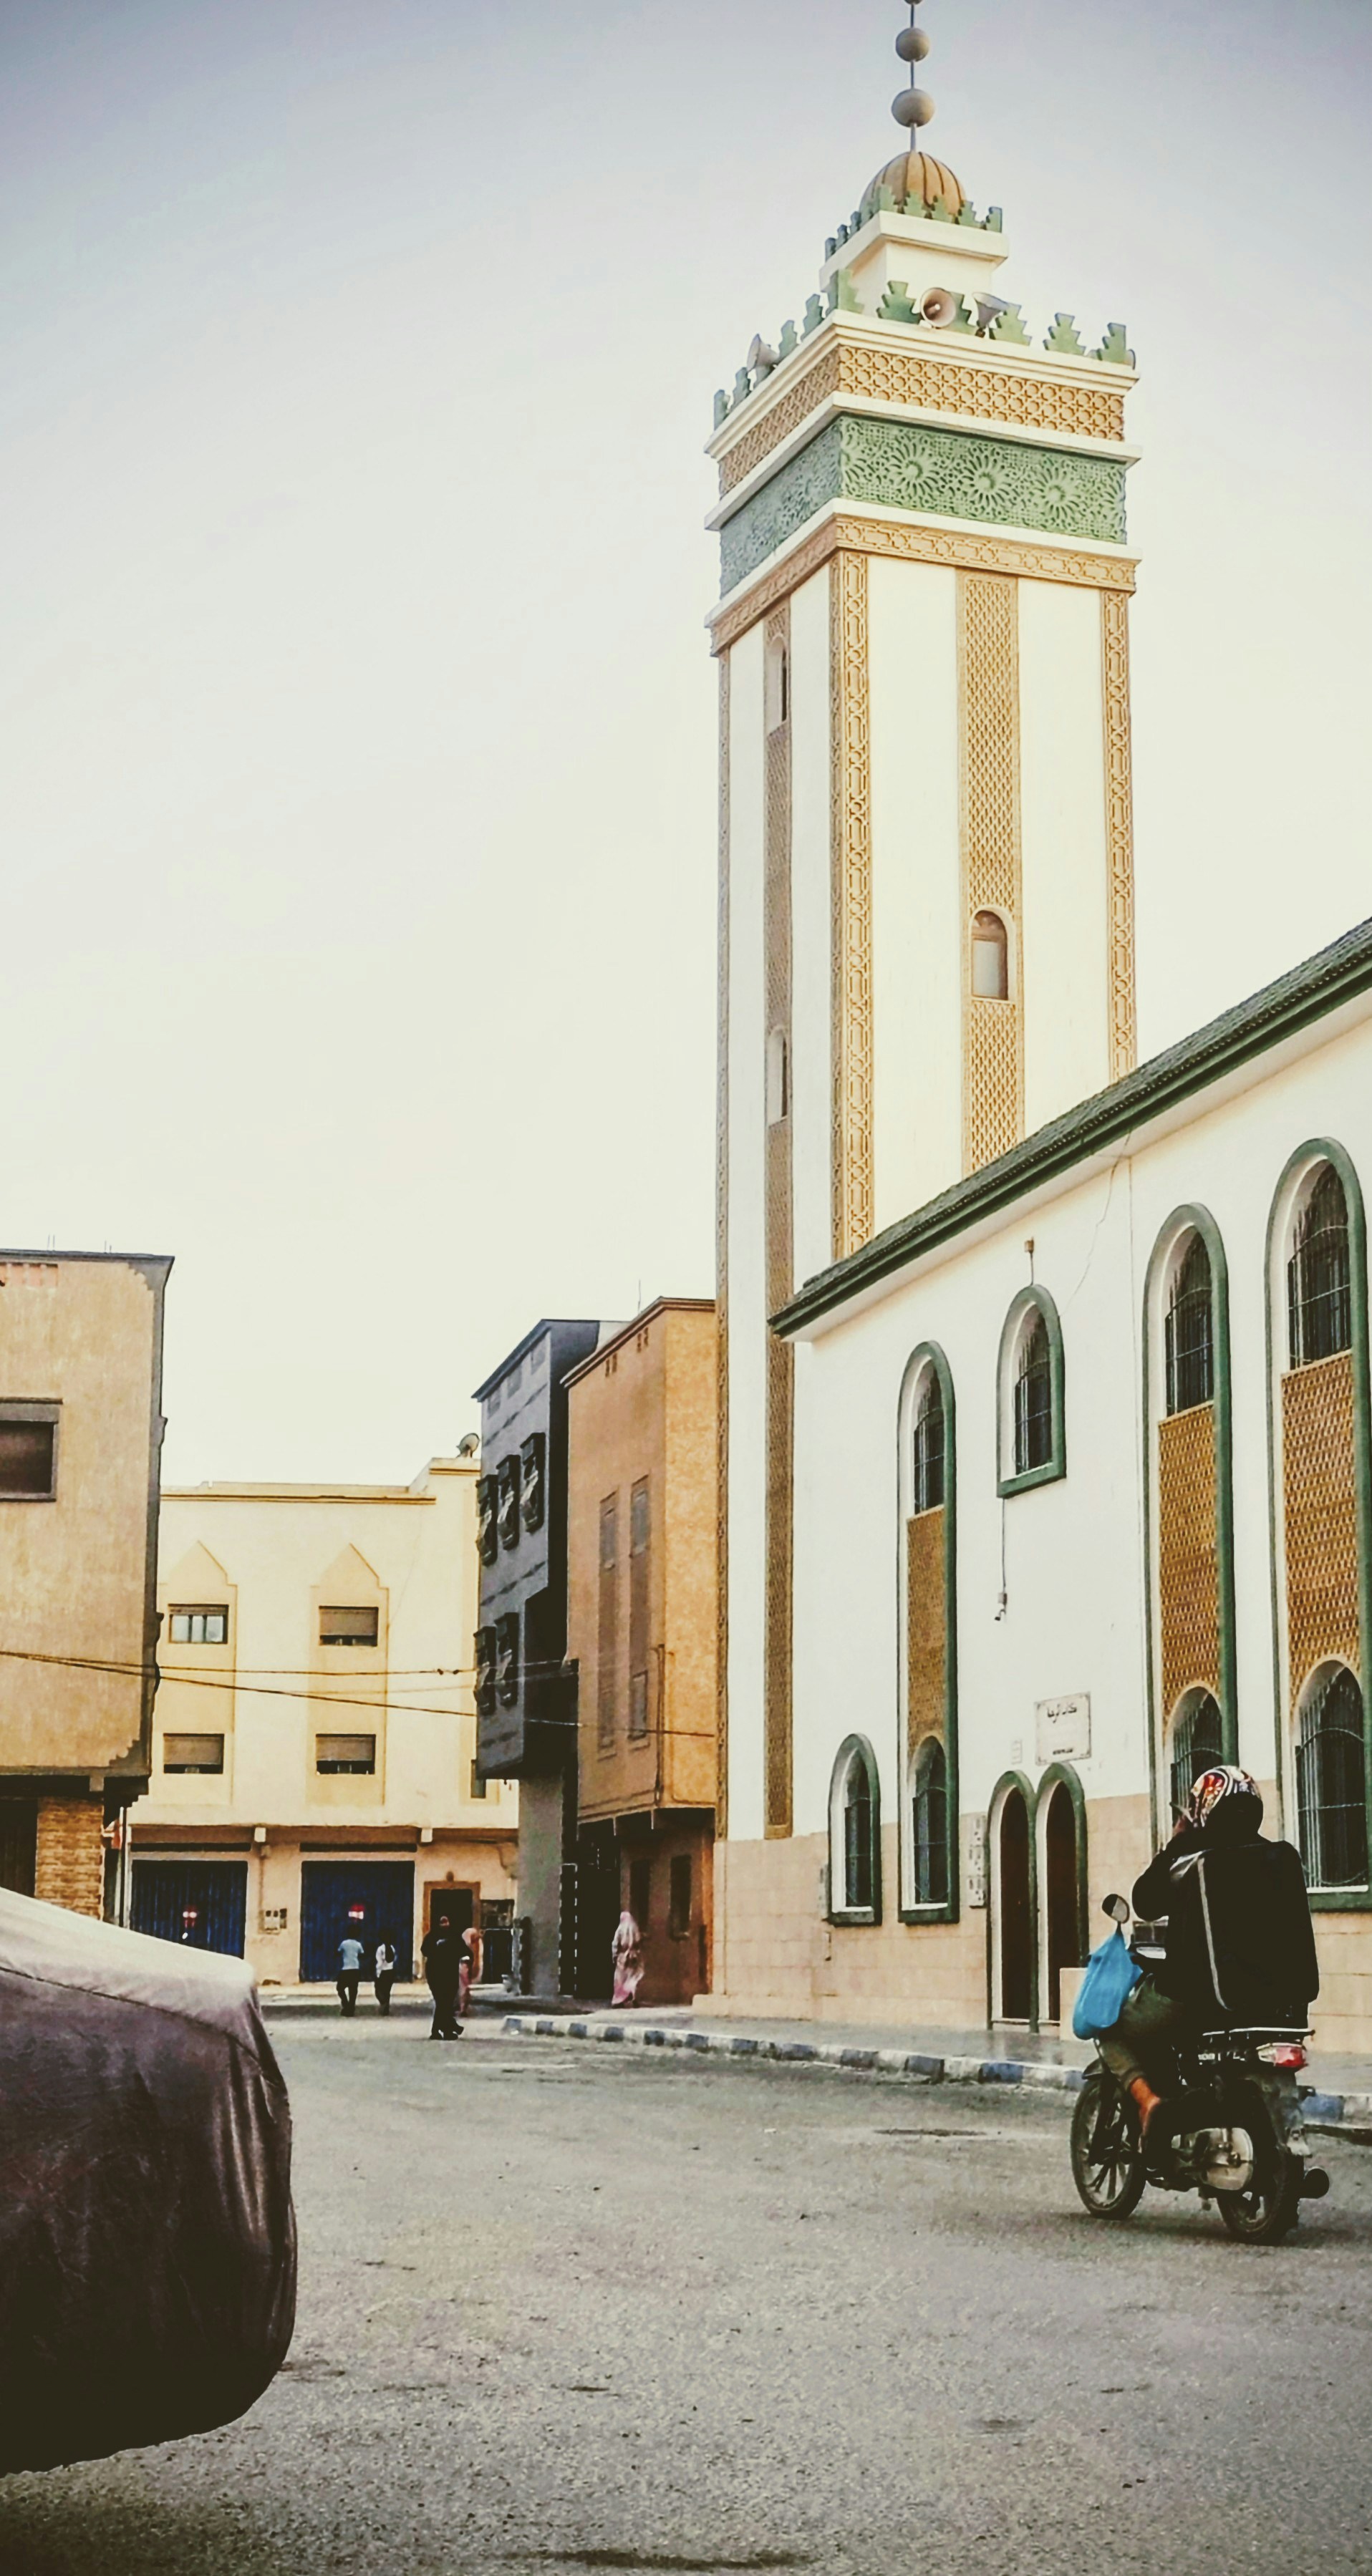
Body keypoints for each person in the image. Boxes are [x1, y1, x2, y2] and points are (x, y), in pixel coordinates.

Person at [1098, 1764, 1320, 2147]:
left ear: (1205, 1808)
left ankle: (1151, 2103)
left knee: (1109, 2026)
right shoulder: (1278, 1859)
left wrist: (1178, 1840)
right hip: (1278, 2004)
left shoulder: (1192, 1859)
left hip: (1199, 1997)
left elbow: (1145, 1901)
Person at [422, 1909, 463, 2041]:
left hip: (450, 1974)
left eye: (446, 1921)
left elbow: (463, 1951)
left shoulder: (454, 1937)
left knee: (444, 2004)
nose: (444, 1925)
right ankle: (449, 2029)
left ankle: (439, 2030)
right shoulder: (432, 1937)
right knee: (442, 2002)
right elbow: (425, 1950)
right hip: (436, 1974)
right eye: (442, 1922)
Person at [610, 1909, 644, 2009]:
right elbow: (638, 1940)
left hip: (622, 1957)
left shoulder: (620, 1929)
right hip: (633, 1956)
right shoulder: (635, 1927)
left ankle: (619, 2000)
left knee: (620, 1979)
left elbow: (615, 1943)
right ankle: (633, 1997)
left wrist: (615, 1956)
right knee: (632, 1978)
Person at [336, 1928, 365, 2015]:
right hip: (355, 1969)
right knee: (353, 1991)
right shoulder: (358, 1944)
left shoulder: (344, 1944)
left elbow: (338, 1952)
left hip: (346, 1969)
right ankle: (351, 2008)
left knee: (340, 1988)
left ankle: (346, 2005)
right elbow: (362, 1955)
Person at [373, 1936, 397, 2016]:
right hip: (390, 1972)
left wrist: (377, 1973)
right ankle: (386, 2008)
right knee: (387, 1991)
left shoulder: (380, 1949)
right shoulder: (392, 1948)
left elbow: (379, 1963)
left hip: (383, 1972)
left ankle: (383, 2003)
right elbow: (394, 1959)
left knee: (378, 1990)